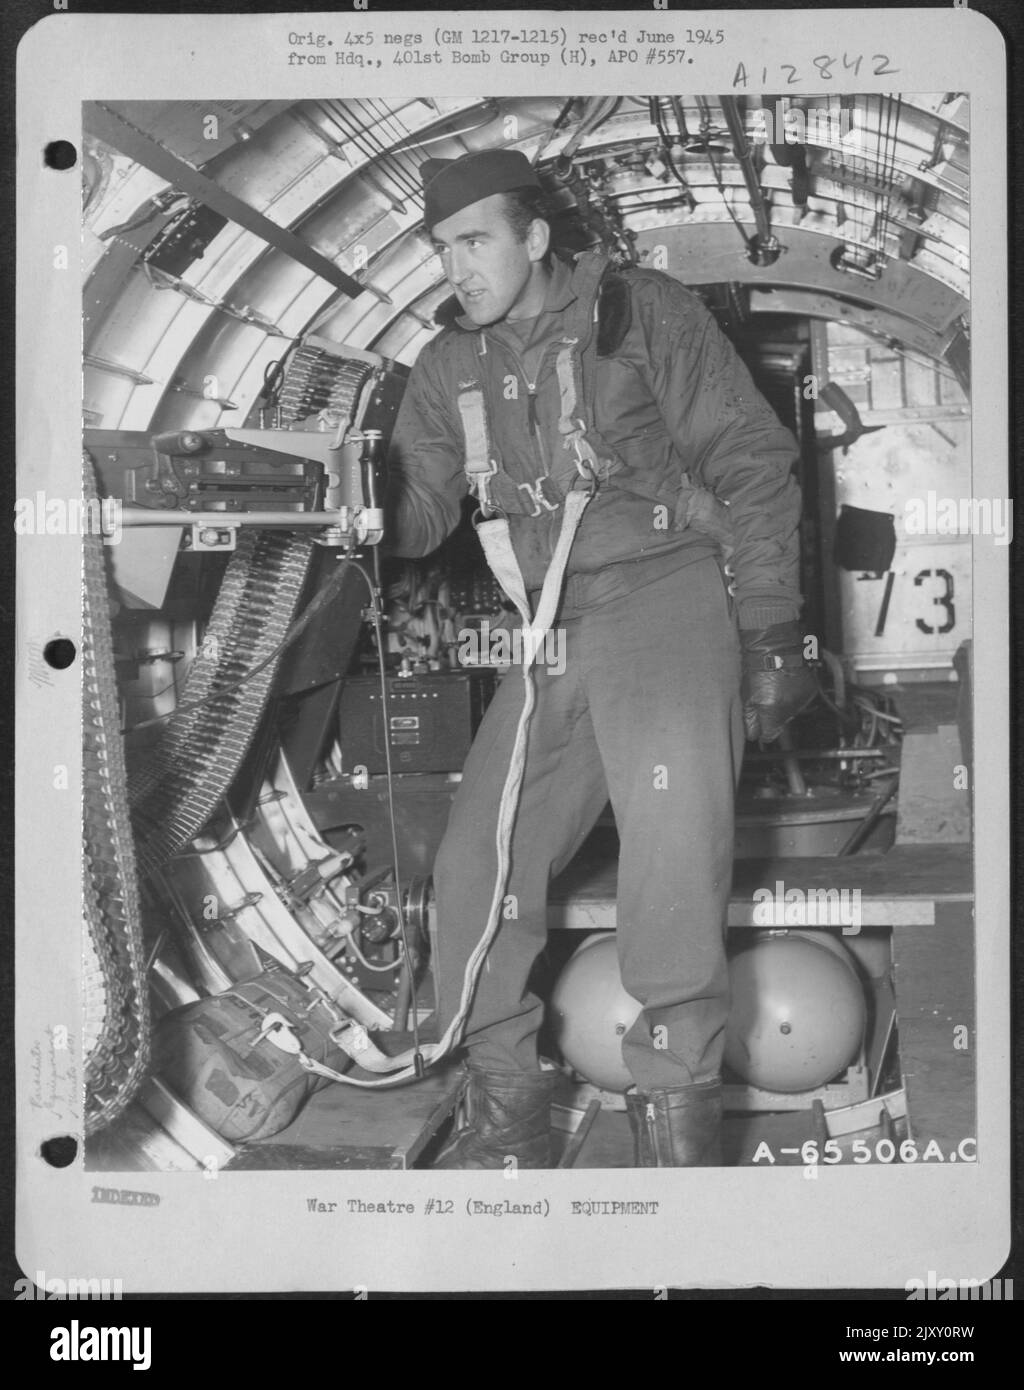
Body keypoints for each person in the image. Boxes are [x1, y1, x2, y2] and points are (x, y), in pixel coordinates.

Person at [385, 148, 816, 1168]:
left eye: (474, 240)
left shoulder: (639, 314)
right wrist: (346, 505)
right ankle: (508, 1111)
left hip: (666, 600)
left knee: (668, 875)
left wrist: (770, 623)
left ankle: (675, 1141)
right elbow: (418, 514)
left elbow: (749, 460)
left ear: (533, 238)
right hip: (548, 630)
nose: (456, 267)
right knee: (471, 869)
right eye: (442, 248)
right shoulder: (448, 367)